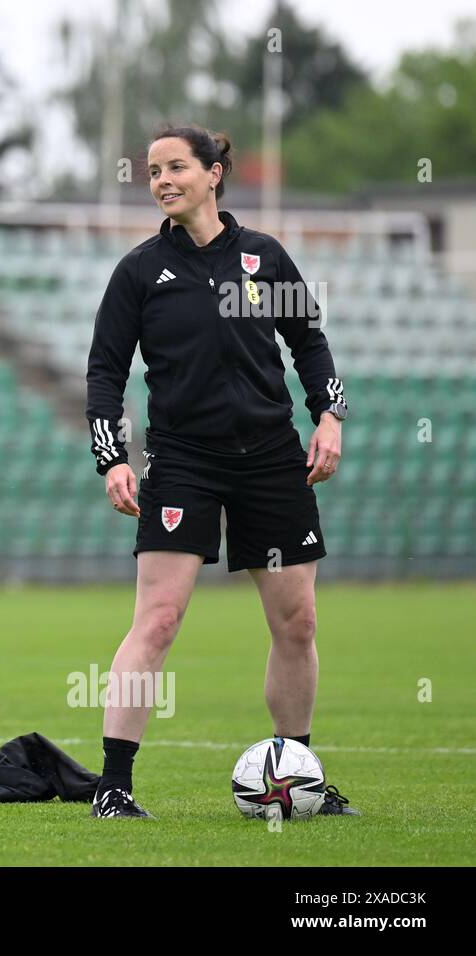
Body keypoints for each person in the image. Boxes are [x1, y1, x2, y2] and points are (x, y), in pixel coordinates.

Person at [84, 124, 357, 818]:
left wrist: (329, 416)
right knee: (159, 620)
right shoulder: (141, 272)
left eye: (176, 167)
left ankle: (295, 776)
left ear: (213, 173)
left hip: (270, 456)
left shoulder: (265, 259)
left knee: (296, 623)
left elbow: (310, 343)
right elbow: (105, 373)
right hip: (183, 460)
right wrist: (111, 456)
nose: (162, 180)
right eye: (152, 171)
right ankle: (114, 786)